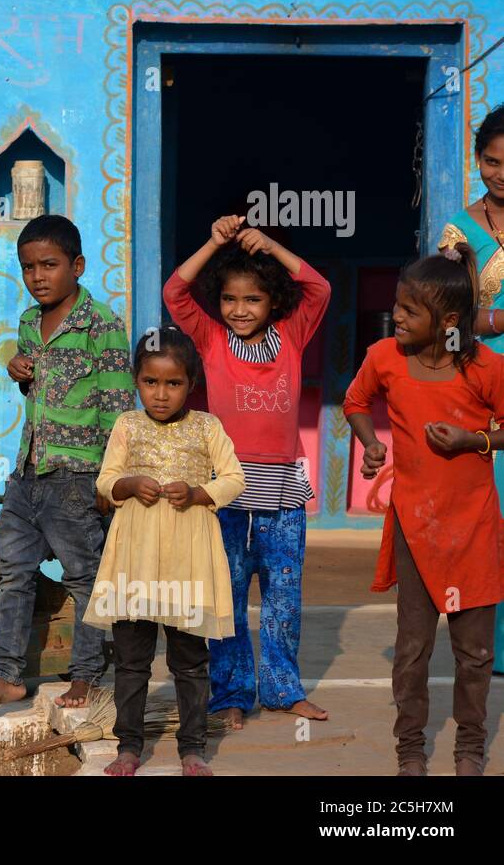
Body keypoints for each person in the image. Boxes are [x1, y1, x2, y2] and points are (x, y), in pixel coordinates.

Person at [164, 216, 331, 729]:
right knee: (228, 599)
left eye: (253, 300)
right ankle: (231, 693)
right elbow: (175, 291)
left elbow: (319, 287)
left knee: (283, 602)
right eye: (231, 299)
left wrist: (272, 245)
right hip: (226, 501)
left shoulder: (292, 335)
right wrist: (215, 242)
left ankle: (283, 690)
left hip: (282, 500)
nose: (239, 310)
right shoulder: (212, 340)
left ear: (273, 302)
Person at [344, 242, 504, 776]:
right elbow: (354, 402)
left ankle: (468, 750)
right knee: (411, 650)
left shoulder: (485, 366)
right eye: (398, 305)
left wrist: (473, 439)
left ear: (450, 320)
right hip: (415, 527)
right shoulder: (383, 358)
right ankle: (409, 751)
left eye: (412, 310)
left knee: (474, 655)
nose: (399, 317)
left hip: (474, 529)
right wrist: (370, 443)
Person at [0, 214, 134, 713]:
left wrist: (110, 480)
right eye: (28, 267)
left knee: (85, 579)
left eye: (50, 264)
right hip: (28, 472)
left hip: (78, 477)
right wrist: (18, 370)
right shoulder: (26, 322)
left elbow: (119, 408)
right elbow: (34, 381)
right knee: (15, 574)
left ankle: (85, 676)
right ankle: (7, 677)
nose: (38, 276)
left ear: (77, 265)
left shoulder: (102, 324)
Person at [87, 326, 245, 775]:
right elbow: (104, 481)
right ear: (136, 380)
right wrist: (129, 484)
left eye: (173, 384)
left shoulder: (207, 426)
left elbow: (234, 478)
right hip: (134, 557)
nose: (160, 394)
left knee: (190, 662)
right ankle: (129, 747)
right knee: (132, 661)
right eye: (150, 382)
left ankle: (191, 748)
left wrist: (199, 493)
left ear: (190, 385)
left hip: (187, 558)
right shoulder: (127, 425)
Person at [436, 103, 504, 675]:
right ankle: (491, 648)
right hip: (484, 378)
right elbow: (449, 314)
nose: (501, 173)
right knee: (492, 515)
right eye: (491, 161)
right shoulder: (458, 229)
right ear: (478, 159)